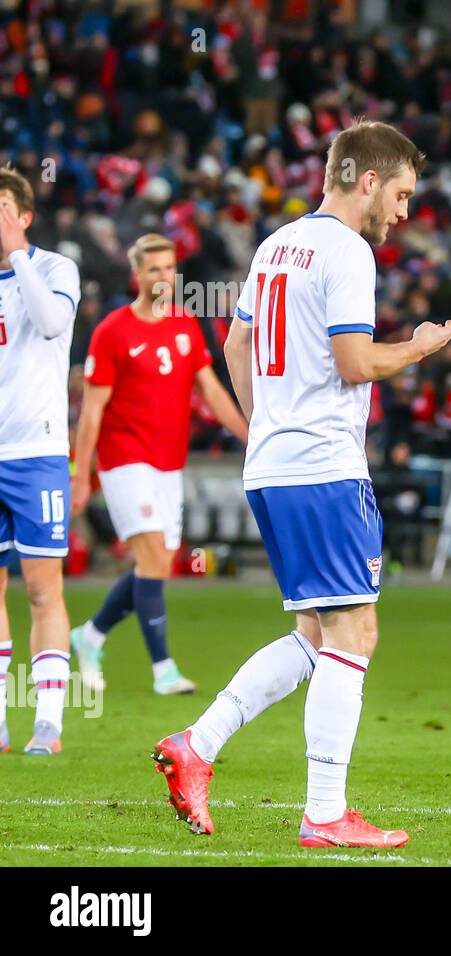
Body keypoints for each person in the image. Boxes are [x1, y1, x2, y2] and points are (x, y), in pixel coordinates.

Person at [151, 121, 451, 846]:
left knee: (317, 633)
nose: (406, 213)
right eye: (403, 194)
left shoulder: (276, 244)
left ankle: (196, 745)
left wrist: (265, 426)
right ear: (366, 180)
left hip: (276, 465)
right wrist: (415, 349)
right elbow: (355, 363)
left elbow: (234, 342)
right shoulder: (348, 251)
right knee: (355, 632)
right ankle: (324, 813)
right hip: (322, 466)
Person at [69, 233, 249, 695]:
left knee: (159, 563)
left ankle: (89, 636)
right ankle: (163, 668)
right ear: (137, 274)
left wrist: (252, 437)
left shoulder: (187, 324)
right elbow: (91, 413)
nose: (163, 276)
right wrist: (80, 475)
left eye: (169, 268)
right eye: (153, 269)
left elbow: (210, 390)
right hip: (124, 459)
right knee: (151, 554)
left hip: (170, 462)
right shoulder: (112, 332)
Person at [0, 165, 82, 756]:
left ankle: (48, 723)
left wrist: (16, 255)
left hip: (38, 454)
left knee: (40, 588)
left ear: (24, 216)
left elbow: (52, 324)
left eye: (3, 208)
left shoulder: (55, 268)